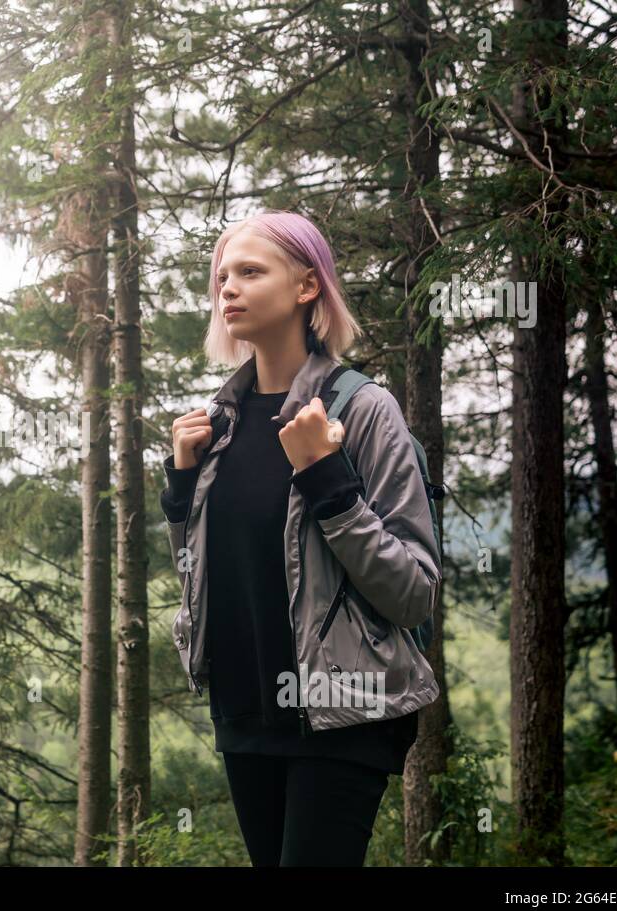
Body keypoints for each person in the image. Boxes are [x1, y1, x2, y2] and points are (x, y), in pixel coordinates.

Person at [161, 210, 442, 866]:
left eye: (250, 272)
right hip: (245, 713)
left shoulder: (363, 410)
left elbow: (413, 592)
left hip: (343, 717)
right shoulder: (218, 422)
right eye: (222, 275)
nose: (227, 287)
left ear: (307, 286)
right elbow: (200, 569)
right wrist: (181, 488)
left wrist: (326, 480)